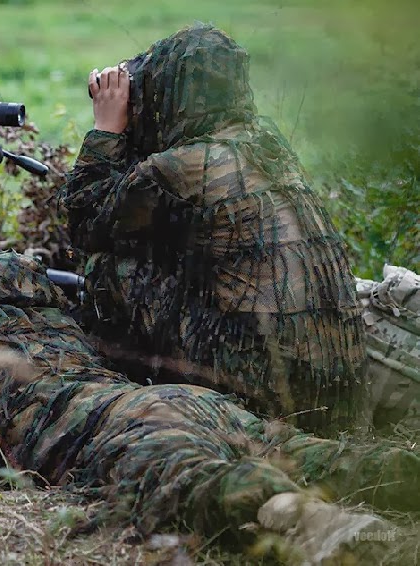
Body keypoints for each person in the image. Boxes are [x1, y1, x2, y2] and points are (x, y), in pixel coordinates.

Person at [0, 249, 418, 563]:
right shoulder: (67, 328)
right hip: (177, 402)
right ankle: (399, 475)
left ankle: (326, 524)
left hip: (114, 429)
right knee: (309, 453)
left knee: (209, 485)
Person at [58, 24, 366, 436]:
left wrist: (107, 129)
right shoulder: (267, 144)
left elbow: (84, 221)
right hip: (331, 393)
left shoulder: (181, 167)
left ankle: (139, 381)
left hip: (264, 393)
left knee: (112, 267)